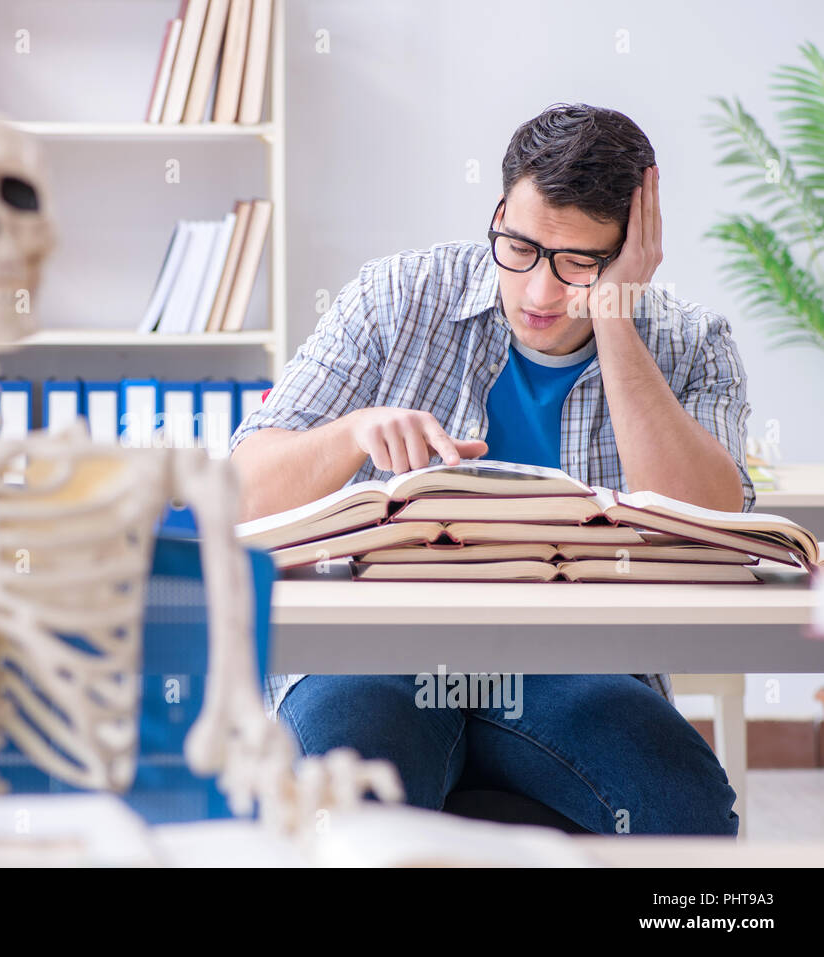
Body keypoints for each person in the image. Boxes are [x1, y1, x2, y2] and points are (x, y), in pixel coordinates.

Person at [229, 103, 748, 835]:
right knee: (344, 813)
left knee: (685, 812)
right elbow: (237, 495)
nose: (540, 293)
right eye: (522, 247)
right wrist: (352, 432)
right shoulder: (396, 299)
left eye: (579, 263)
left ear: (632, 250)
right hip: (376, 652)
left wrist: (616, 319)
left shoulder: (692, 342)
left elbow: (711, 525)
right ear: (499, 210)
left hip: (576, 664)